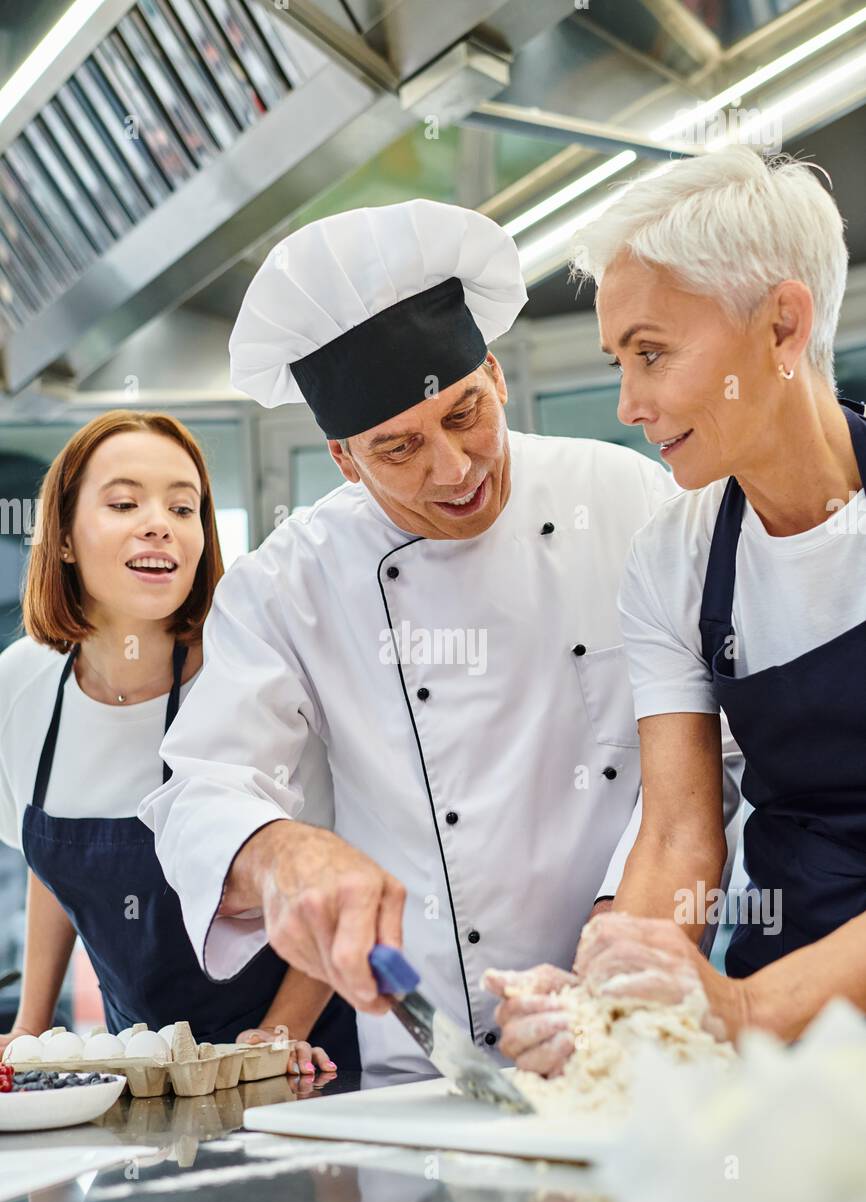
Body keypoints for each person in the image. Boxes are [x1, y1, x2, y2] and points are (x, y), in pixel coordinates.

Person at [141, 200, 742, 1074]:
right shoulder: (288, 584)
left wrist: (616, 966)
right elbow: (201, 791)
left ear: (496, 375)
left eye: (465, 414)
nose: (454, 469)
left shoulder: (631, 503)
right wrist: (278, 854)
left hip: (633, 1029)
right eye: (398, 449)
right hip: (426, 1070)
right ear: (344, 459)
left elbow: (698, 773)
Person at [491, 147, 866, 1072]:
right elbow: (677, 831)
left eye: (652, 354)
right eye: (620, 361)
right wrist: (610, 1007)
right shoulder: (676, 558)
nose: (627, 403)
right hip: (786, 1050)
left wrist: (742, 1008)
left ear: (782, 326)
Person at [0, 409, 350, 1072]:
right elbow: (53, 868)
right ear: (64, 538)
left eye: (183, 507)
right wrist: (31, 1027)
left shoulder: (252, 681)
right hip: (136, 1066)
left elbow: (328, 881)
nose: (159, 521)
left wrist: (276, 1040)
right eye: (125, 502)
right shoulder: (20, 686)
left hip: (298, 1053)